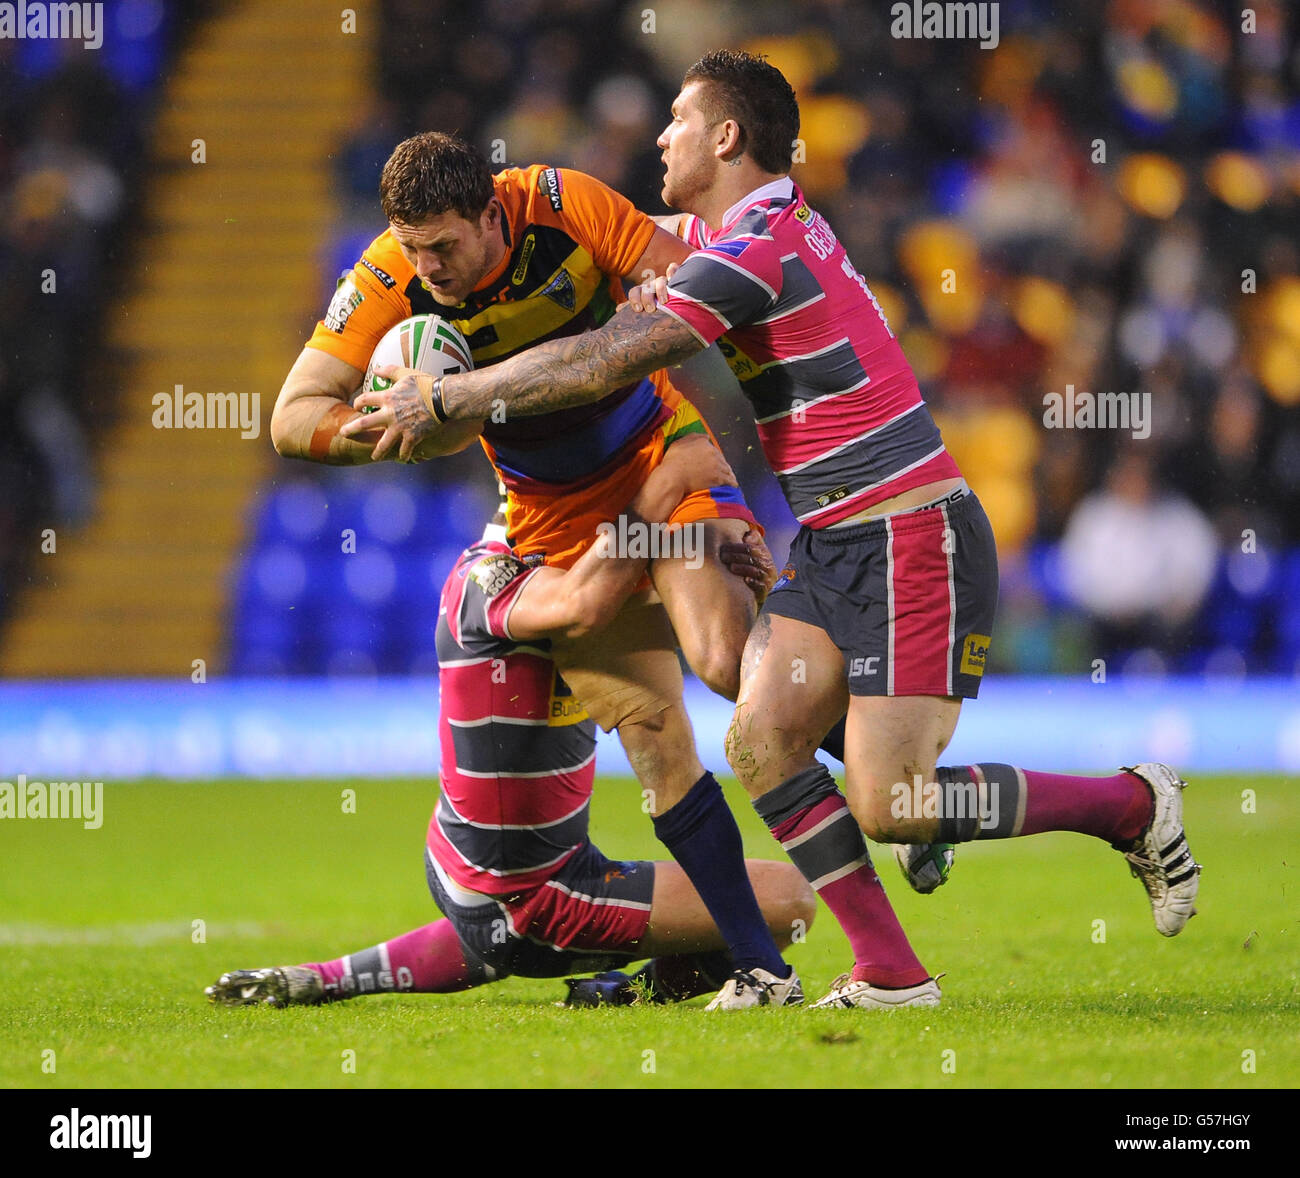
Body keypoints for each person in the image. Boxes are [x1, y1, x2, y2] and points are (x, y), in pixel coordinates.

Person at [358, 50, 1201, 1010]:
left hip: (908, 528)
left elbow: (605, 362)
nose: (662, 136)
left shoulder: (755, 245)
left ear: (725, 136)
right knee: (761, 736)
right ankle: (891, 972)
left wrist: (454, 394)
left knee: (893, 804)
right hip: (835, 540)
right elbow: (613, 257)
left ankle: (1133, 804)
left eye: (678, 117)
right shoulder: (735, 233)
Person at [272, 132, 803, 1007]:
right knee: (654, 739)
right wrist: (400, 428)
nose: (428, 268)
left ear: (492, 213)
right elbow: (293, 419)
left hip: (660, 459)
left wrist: (649, 290)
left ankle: (878, 773)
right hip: (553, 523)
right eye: (413, 248)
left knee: (721, 658)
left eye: (443, 245)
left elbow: (681, 294)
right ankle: (763, 972)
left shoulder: (565, 202)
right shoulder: (387, 276)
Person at [207, 435, 814, 1010]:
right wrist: (661, 488)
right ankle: (628, 995)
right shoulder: (495, 581)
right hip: (536, 898)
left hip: (473, 871)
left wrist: (739, 586)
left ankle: (327, 977)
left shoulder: (548, 566)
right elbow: (587, 598)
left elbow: (645, 577)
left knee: (504, 913)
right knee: (789, 902)